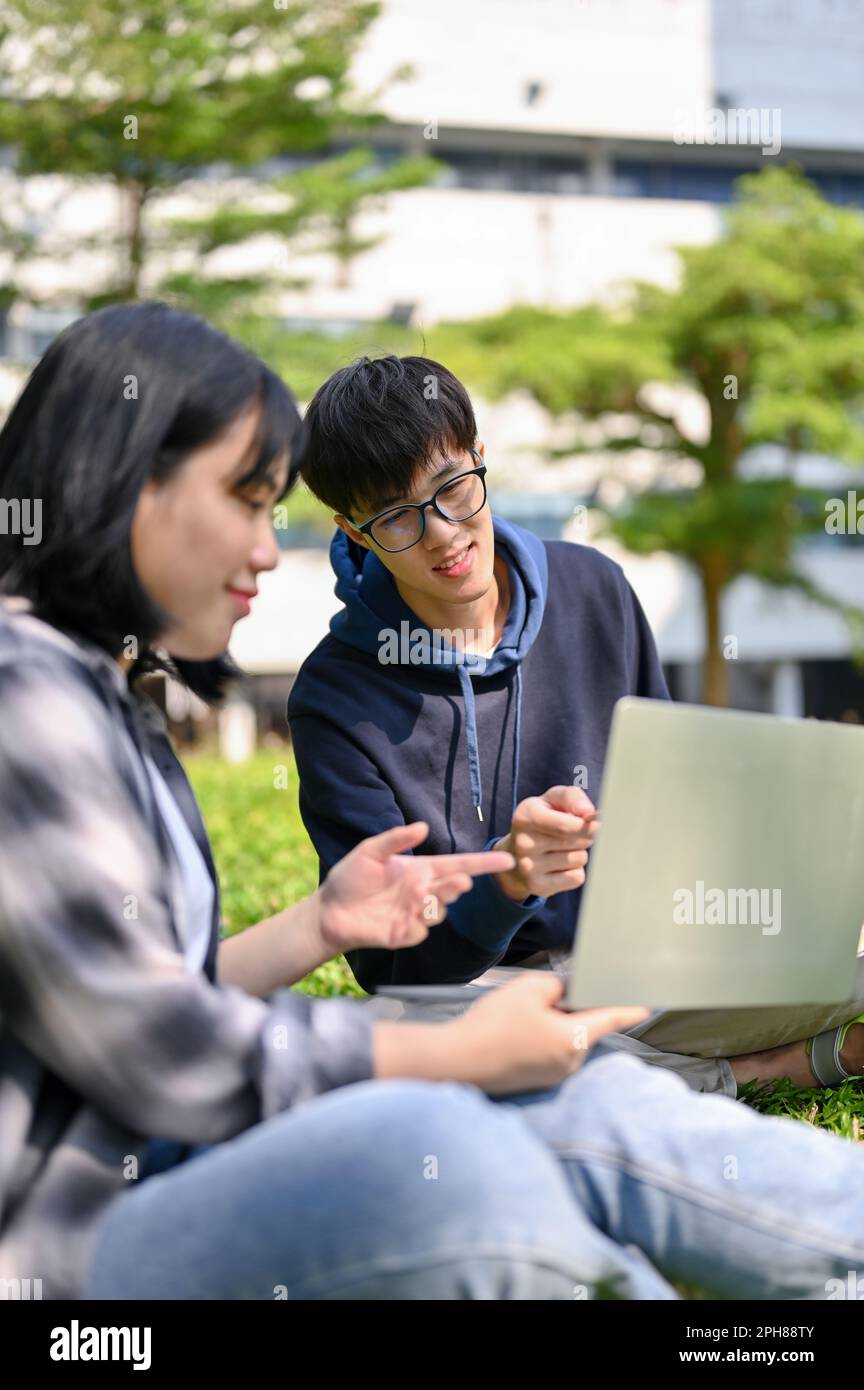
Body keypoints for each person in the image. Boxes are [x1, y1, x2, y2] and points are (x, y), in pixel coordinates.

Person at [1, 303, 863, 1305]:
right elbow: (160, 1050)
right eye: (245, 500)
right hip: (71, 1226)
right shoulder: (26, 695)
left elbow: (151, 993)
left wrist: (321, 921)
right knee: (456, 1136)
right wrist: (445, 1049)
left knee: (587, 1101)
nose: (267, 552)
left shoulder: (108, 688)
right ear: (129, 483)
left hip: (186, 1145)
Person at [287, 353, 864, 1097]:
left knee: (831, 957)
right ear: (354, 533)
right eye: (397, 517)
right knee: (417, 1046)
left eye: (453, 490)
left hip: (652, 974)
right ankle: (779, 1067)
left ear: (480, 462)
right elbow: (392, 972)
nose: (441, 534)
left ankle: (658, 1073)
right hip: (484, 994)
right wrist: (509, 881)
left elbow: (674, 810)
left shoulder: (594, 590)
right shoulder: (334, 698)